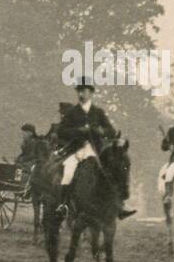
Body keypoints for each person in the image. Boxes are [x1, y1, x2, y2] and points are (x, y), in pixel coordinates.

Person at [55, 78, 135, 219]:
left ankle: (120, 205)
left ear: (90, 93)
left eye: (84, 91)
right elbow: (61, 131)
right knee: (68, 171)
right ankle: (64, 205)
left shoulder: (98, 112)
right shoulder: (72, 112)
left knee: (114, 170)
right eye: (79, 91)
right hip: (77, 150)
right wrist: (79, 130)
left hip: (97, 151)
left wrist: (100, 131)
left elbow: (110, 131)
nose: (81, 94)